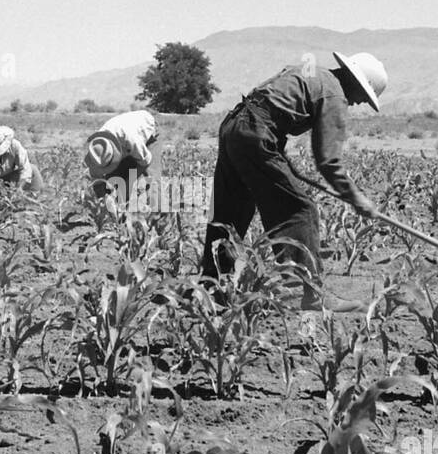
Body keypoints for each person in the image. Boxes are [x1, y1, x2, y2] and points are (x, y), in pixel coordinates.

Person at [199, 52, 387, 310]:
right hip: (255, 132)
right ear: (355, 82)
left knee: (231, 209)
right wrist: (357, 198)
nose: (358, 103)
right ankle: (307, 292)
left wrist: (276, 150)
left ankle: (210, 286)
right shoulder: (334, 95)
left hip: (234, 126)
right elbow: (329, 160)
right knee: (300, 210)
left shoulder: (314, 74)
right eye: (363, 97)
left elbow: (271, 105)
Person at [84, 109, 159, 205]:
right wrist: (102, 202)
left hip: (149, 133)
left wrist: (125, 190)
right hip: (127, 146)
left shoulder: (130, 139)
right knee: (112, 182)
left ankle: (155, 214)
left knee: (153, 181)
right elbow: (97, 182)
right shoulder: (97, 152)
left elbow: (146, 162)